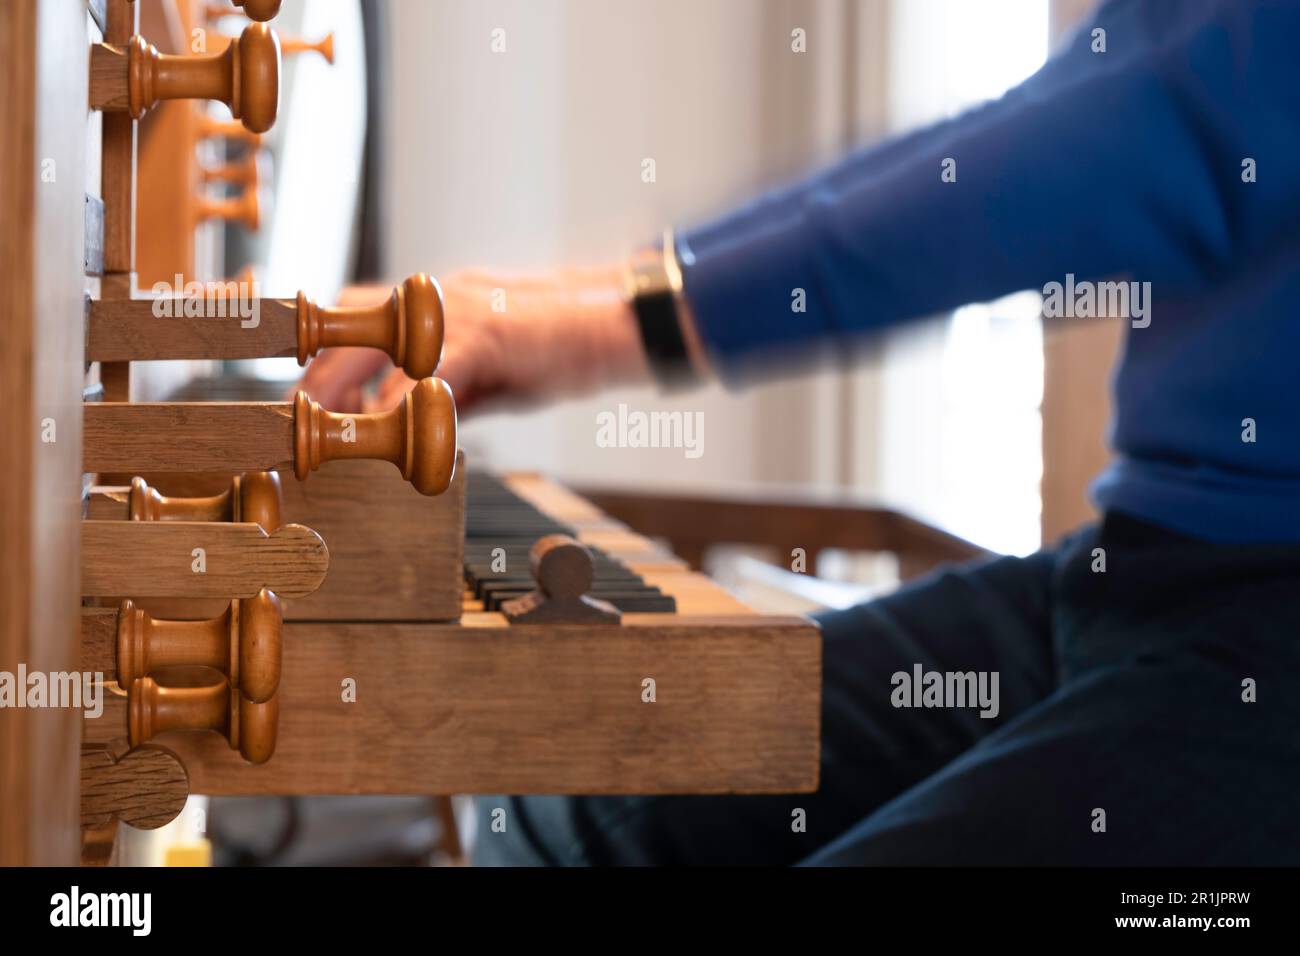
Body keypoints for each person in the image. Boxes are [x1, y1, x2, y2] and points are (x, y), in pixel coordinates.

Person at [298, 0, 1300, 864]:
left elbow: (1155, 134)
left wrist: (596, 318)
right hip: (1145, 569)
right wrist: (612, 290)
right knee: (575, 808)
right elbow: (1072, 109)